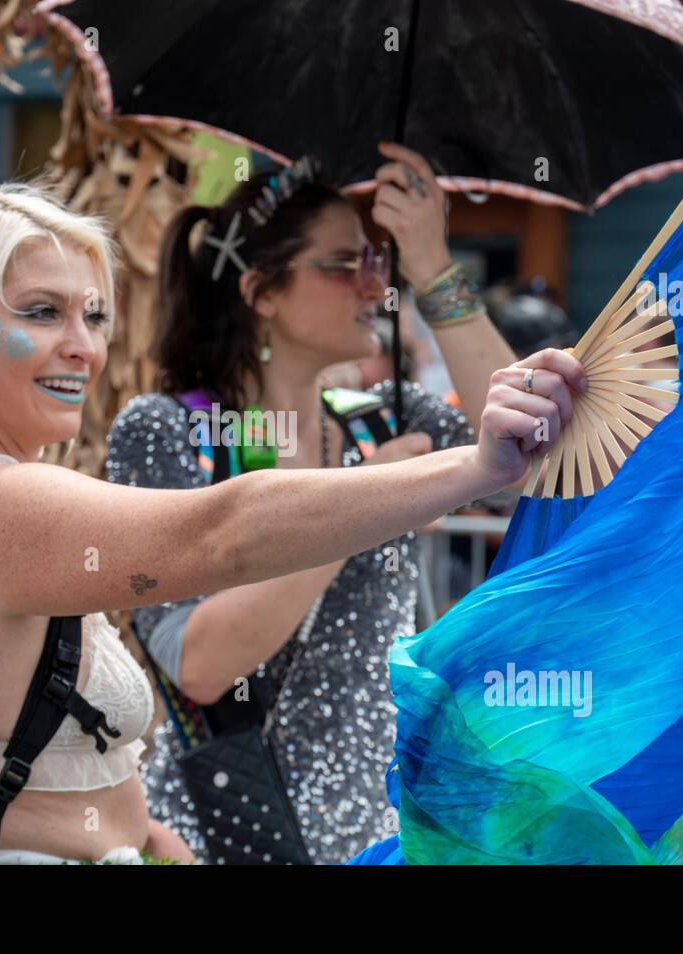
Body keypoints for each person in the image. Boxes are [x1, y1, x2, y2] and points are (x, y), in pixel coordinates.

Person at [0, 179, 582, 864]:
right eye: (41, 312)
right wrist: (467, 468)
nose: (84, 344)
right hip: (241, 823)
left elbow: (546, 471)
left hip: (359, 825)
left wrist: (432, 264)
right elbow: (226, 537)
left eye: (93, 314)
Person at [105, 145, 525, 863]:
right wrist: (372, 496)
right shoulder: (171, 431)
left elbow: (530, 452)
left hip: (382, 835)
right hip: (224, 833)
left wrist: (432, 265)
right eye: (344, 264)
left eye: (377, 260)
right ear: (261, 292)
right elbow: (201, 664)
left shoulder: (383, 417)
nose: (373, 285)